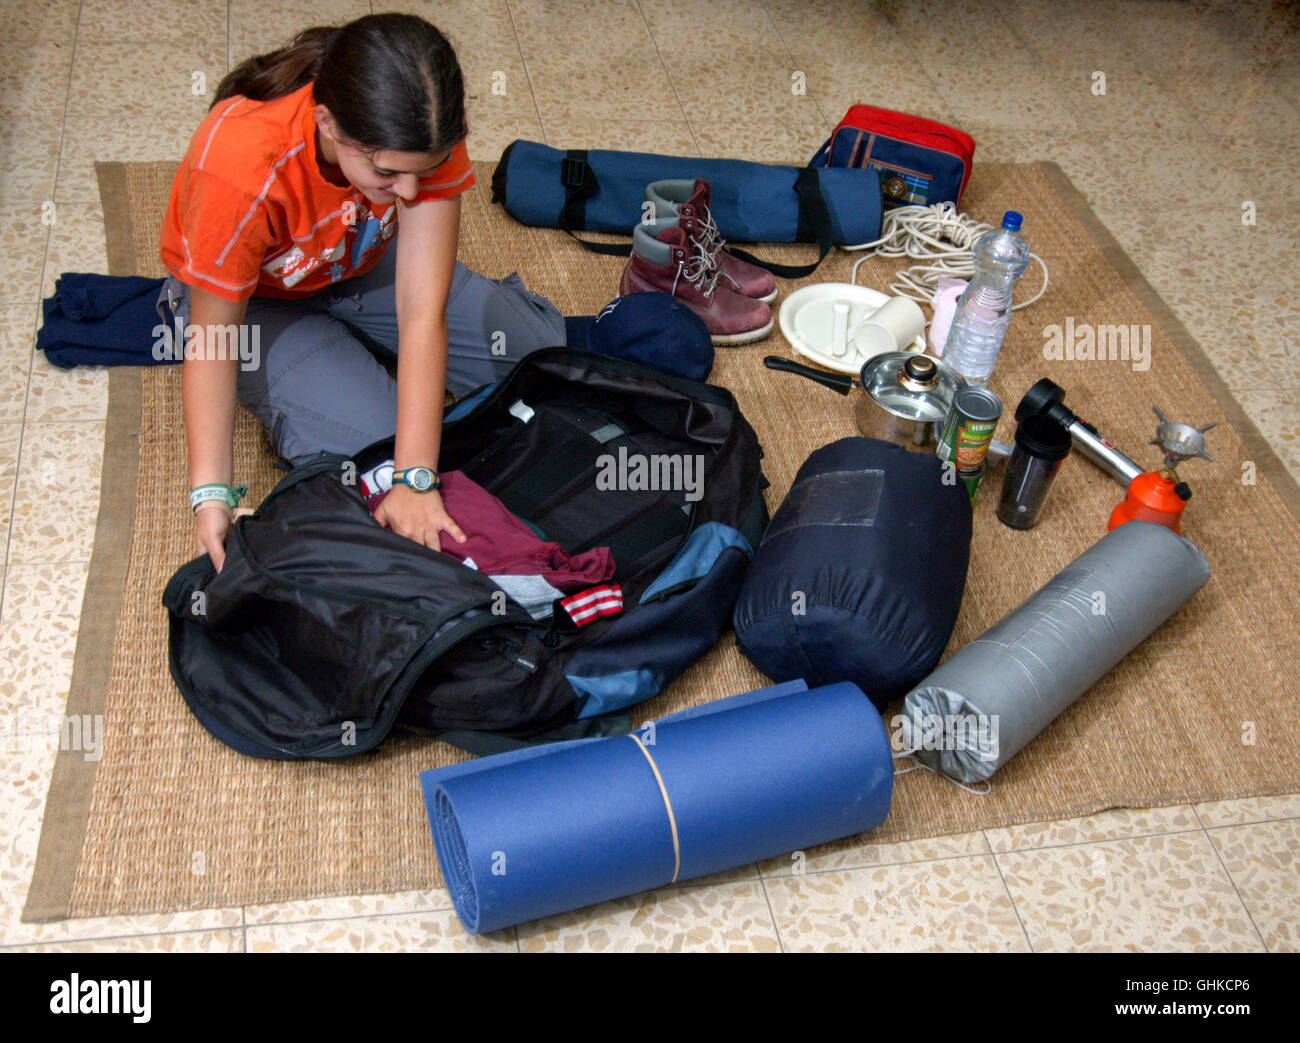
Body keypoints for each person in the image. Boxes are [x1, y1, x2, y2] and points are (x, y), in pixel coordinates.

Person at [158, 13, 566, 570]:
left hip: (352, 257)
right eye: (388, 175)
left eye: (425, 171)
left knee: (541, 359)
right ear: (327, 123)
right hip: (255, 303)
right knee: (376, 447)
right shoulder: (238, 164)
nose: (412, 192)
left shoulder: (424, 130)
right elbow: (213, 341)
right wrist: (210, 495)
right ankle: (323, 368)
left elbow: (423, 311)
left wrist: (418, 476)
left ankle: (347, 350)